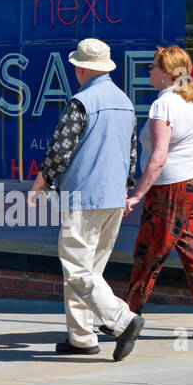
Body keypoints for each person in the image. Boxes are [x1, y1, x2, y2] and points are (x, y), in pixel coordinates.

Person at [28, 38, 143, 361]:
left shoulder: (81, 101)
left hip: (84, 196)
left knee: (78, 270)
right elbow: (132, 152)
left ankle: (123, 320)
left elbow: (59, 149)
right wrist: (127, 186)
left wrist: (42, 182)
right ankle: (81, 337)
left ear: (81, 68)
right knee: (89, 270)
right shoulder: (125, 102)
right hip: (114, 196)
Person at [126, 46, 193, 338]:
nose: (149, 70)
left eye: (152, 66)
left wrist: (137, 194)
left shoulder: (163, 105)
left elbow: (159, 157)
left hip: (171, 189)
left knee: (149, 252)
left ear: (166, 72)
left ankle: (125, 317)